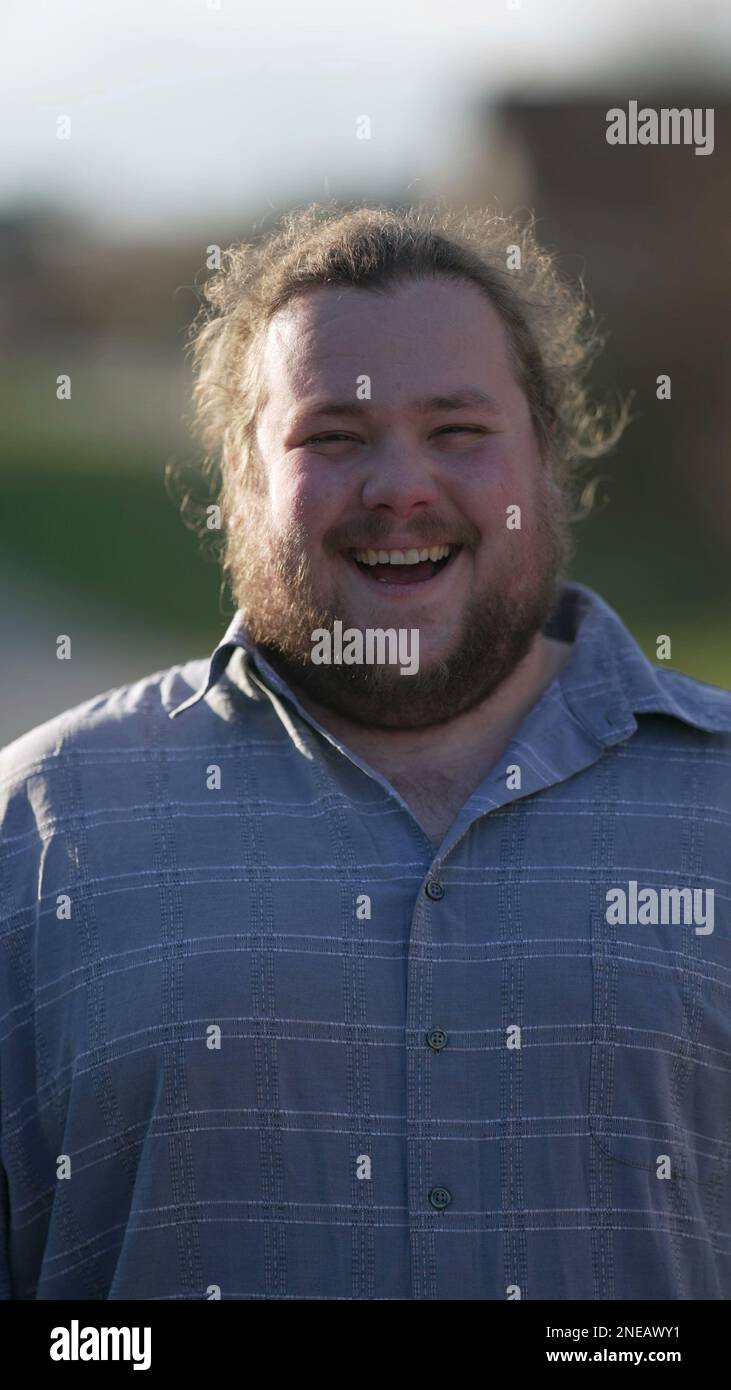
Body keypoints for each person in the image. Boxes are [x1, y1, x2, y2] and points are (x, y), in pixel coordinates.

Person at [1, 204, 728, 1301]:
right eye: (331, 438)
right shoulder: (42, 828)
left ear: (547, 465)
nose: (399, 486)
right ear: (238, 489)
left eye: (457, 431)